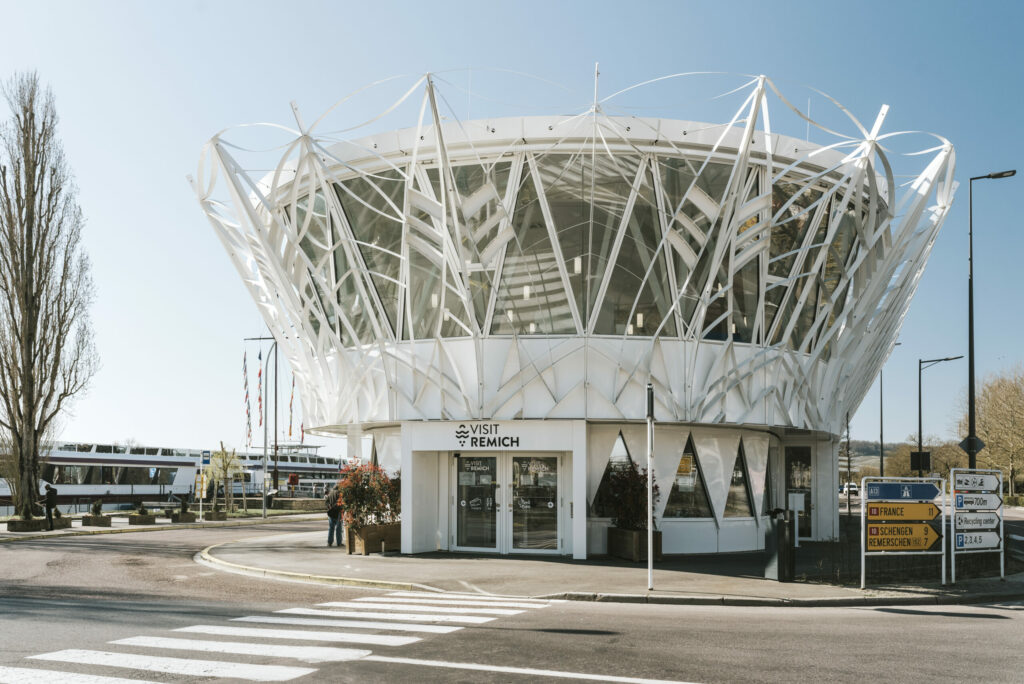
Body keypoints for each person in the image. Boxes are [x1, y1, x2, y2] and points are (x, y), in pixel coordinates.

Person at [325, 481, 343, 547]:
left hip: (331, 512)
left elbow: (326, 502)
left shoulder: (330, 493)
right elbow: (340, 503)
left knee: (331, 528)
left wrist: (329, 507)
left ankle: (329, 542)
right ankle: (339, 542)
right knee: (338, 528)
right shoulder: (339, 493)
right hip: (338, 512)